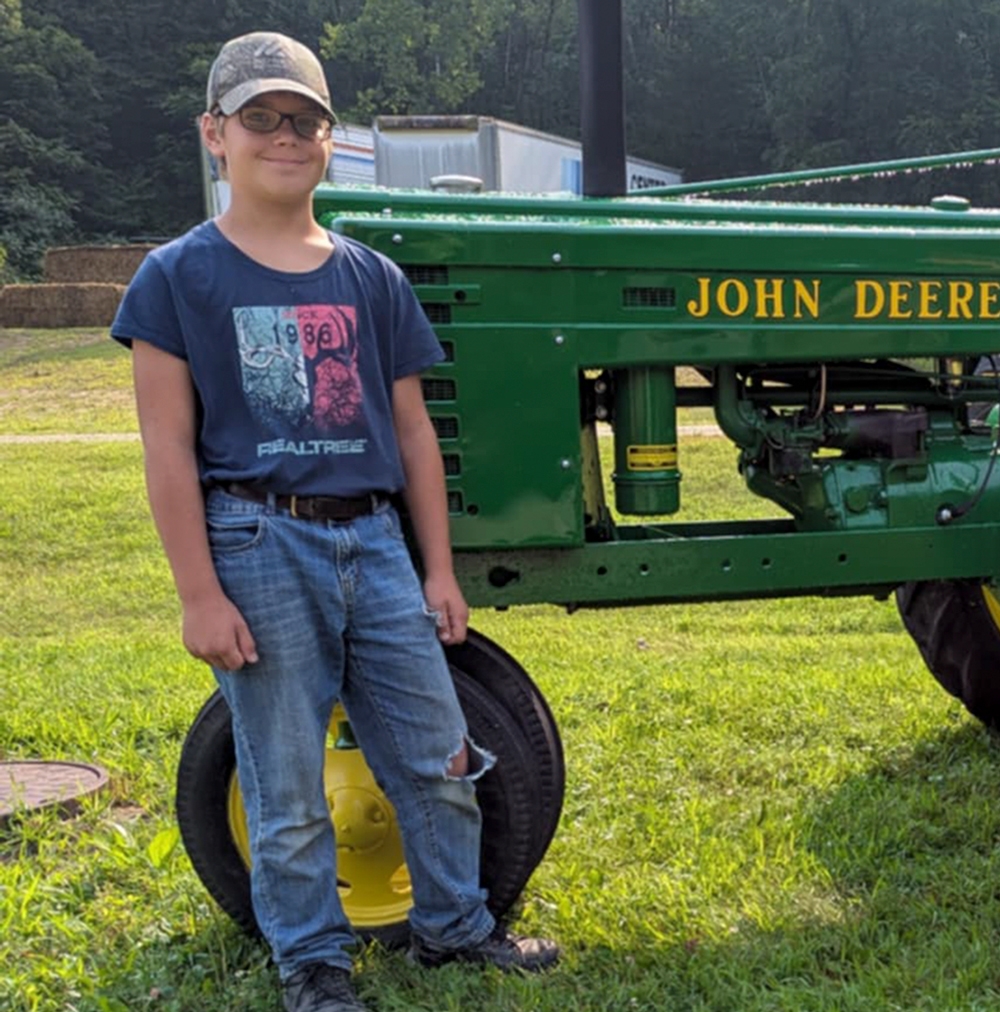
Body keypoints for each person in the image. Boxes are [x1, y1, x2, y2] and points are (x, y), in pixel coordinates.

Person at [113, 31, 558, 1012]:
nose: (285, 135)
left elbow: (412, 433)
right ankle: (313, 963)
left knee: (440, 756)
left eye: (305, 120)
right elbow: (166, 450)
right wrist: (198, 593)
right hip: (257, 544)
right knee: (283, 782)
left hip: (376, 542)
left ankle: (454, 927)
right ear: (215, 134)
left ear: (329, 140)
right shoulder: (175, 278)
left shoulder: (369, 276)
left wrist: (438, 570)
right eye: (261, 118)